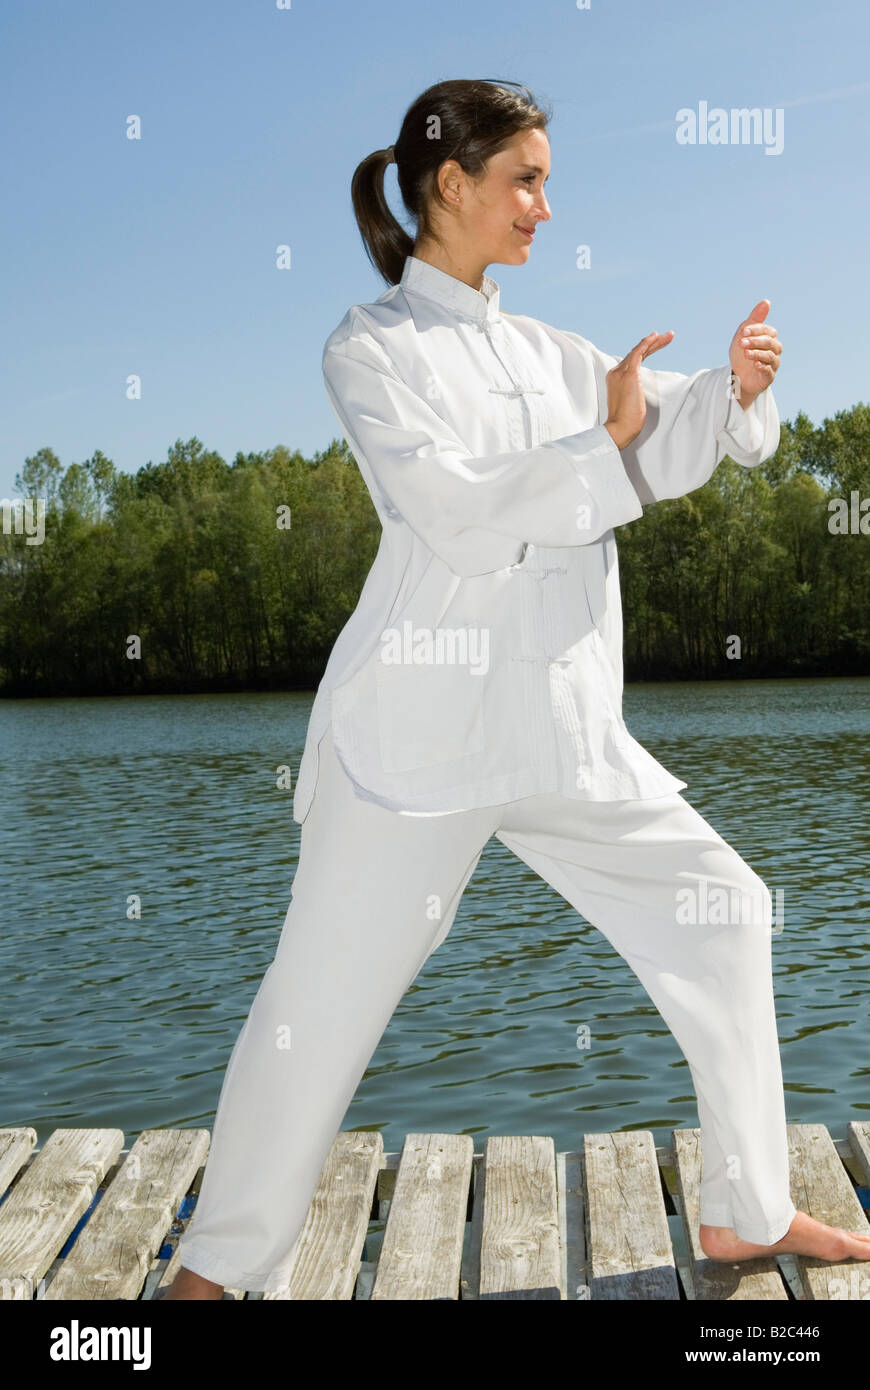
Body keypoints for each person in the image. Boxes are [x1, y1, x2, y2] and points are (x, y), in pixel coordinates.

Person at [164, 79, 870, 1298]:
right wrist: (602, 444)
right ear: (453, 185)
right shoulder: (370, 347)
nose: (546, 204)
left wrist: (734, 392)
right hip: (415, 747)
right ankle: (214, 1279)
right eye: (526, 179)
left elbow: (647, 440)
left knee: (725, 907)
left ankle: (748, 1210)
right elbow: (460, 513)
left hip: (557, 727)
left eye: (547, 178)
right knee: (314, 1012)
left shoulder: (553, 352)